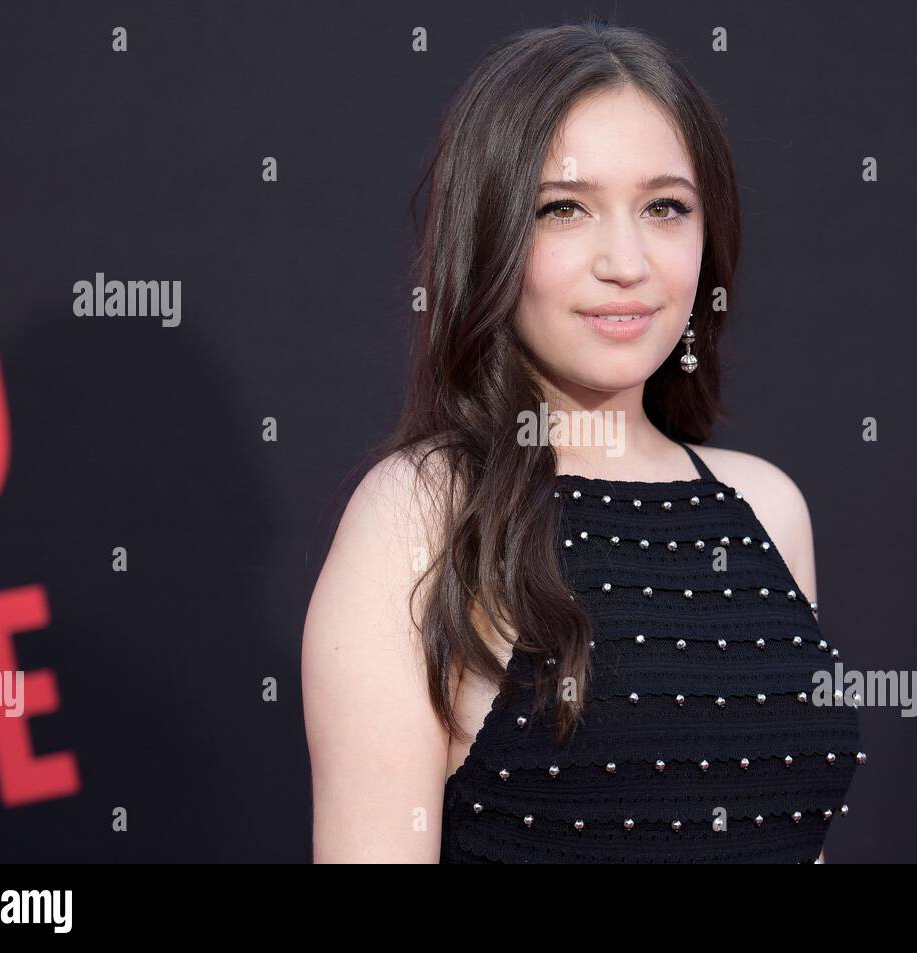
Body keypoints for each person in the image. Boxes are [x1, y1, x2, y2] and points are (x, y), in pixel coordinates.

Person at [303, 20, 862, 863]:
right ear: (489, 235)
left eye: (665, 207)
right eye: (564, 208)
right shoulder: (424, 512)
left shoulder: (766, 507)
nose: (626, 261)